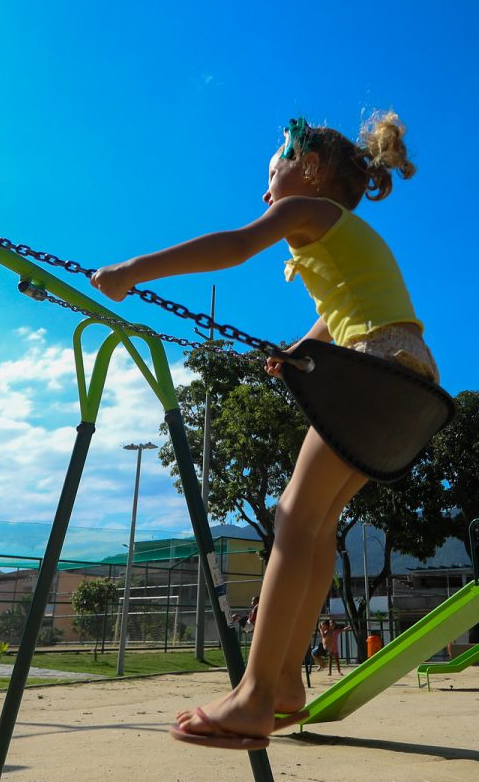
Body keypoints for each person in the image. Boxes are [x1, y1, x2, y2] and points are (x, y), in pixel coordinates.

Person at [91, 112, 438, 751]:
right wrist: (297, 350)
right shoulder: (344, 238)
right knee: (314, 523)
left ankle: (255, 693)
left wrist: (132, 270)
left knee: (290, 521)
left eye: (271, 172)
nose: (265, 189)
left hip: (377, 366)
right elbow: (338, 320)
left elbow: (234, 245)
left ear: (305, 172)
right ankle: (283, 687)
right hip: (406, 374)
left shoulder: (304, 211)